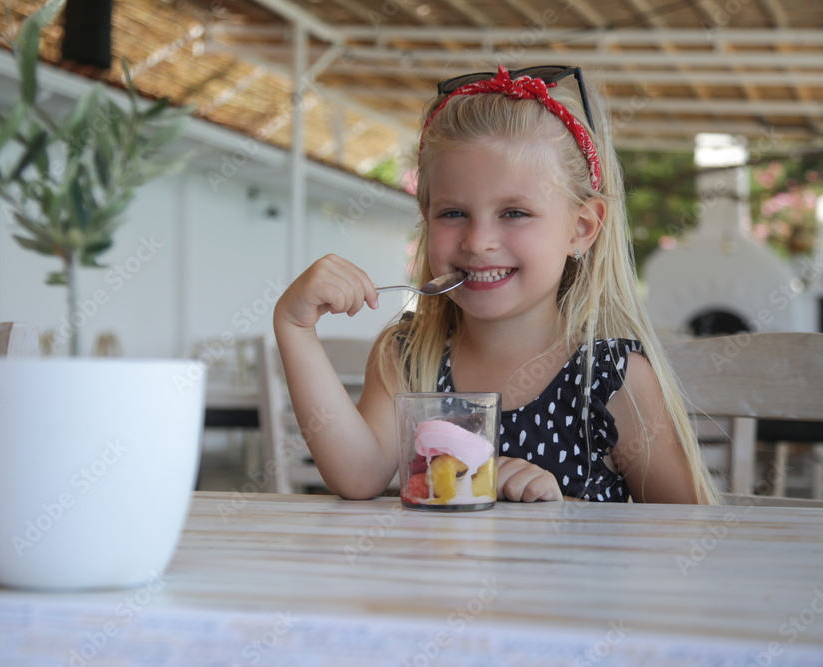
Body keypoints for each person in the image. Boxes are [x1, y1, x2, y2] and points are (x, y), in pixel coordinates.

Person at [273, 65, 718, 504]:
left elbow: (688, 530)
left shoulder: (609, 379)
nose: (478, 242)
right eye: (453, 213)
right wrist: (295, 329)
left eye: (514, 213)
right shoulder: (407, 359)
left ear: (581, 227)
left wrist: (568, 514)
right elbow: (357, 476)